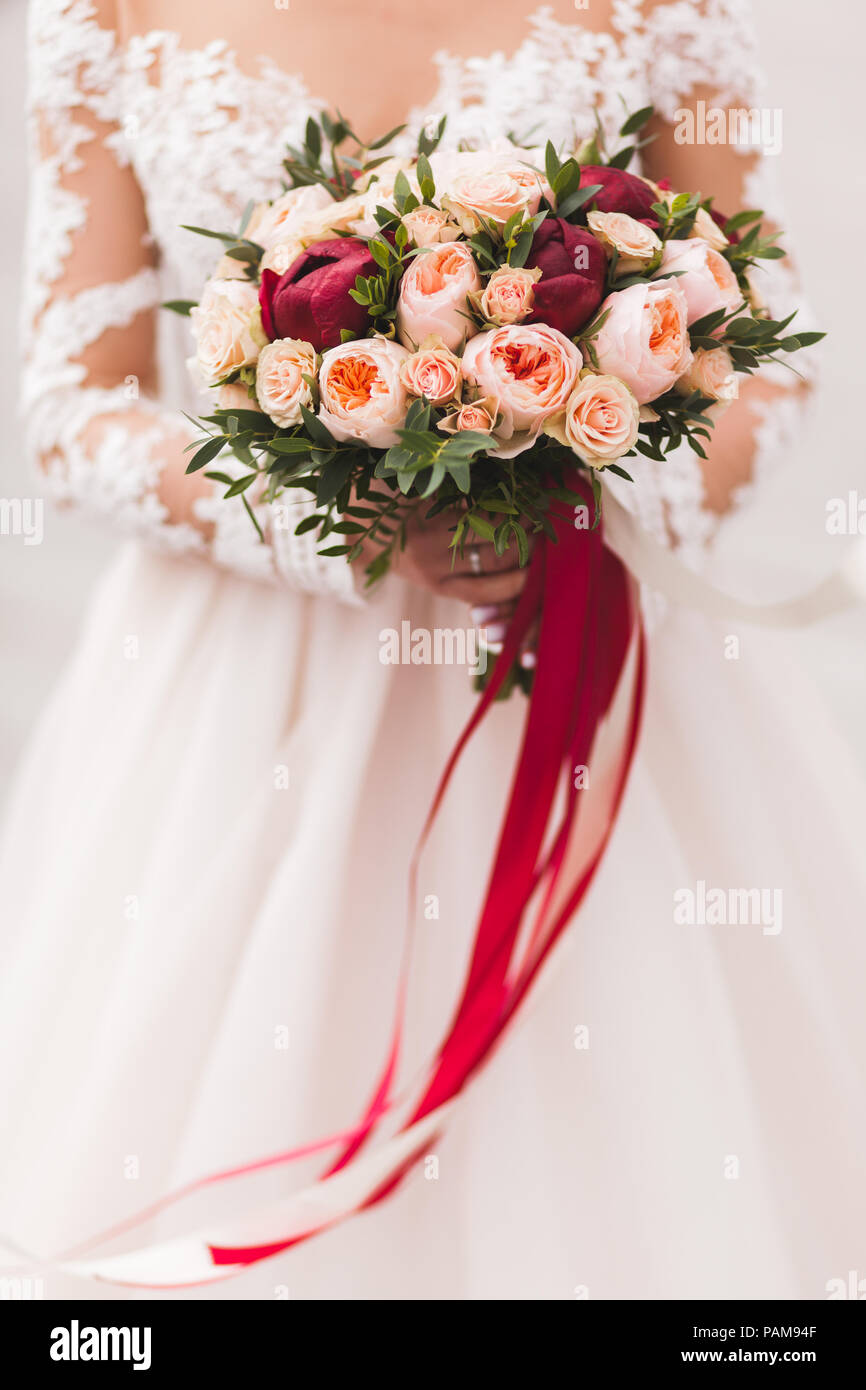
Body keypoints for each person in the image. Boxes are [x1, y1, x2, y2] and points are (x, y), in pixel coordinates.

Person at [0, 0, 863, 1298]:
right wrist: (327, 520)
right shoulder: (101, 10)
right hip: (241, 704)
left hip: (589, 647)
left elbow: (763, 347)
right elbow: (71, 398)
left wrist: (585, 508)